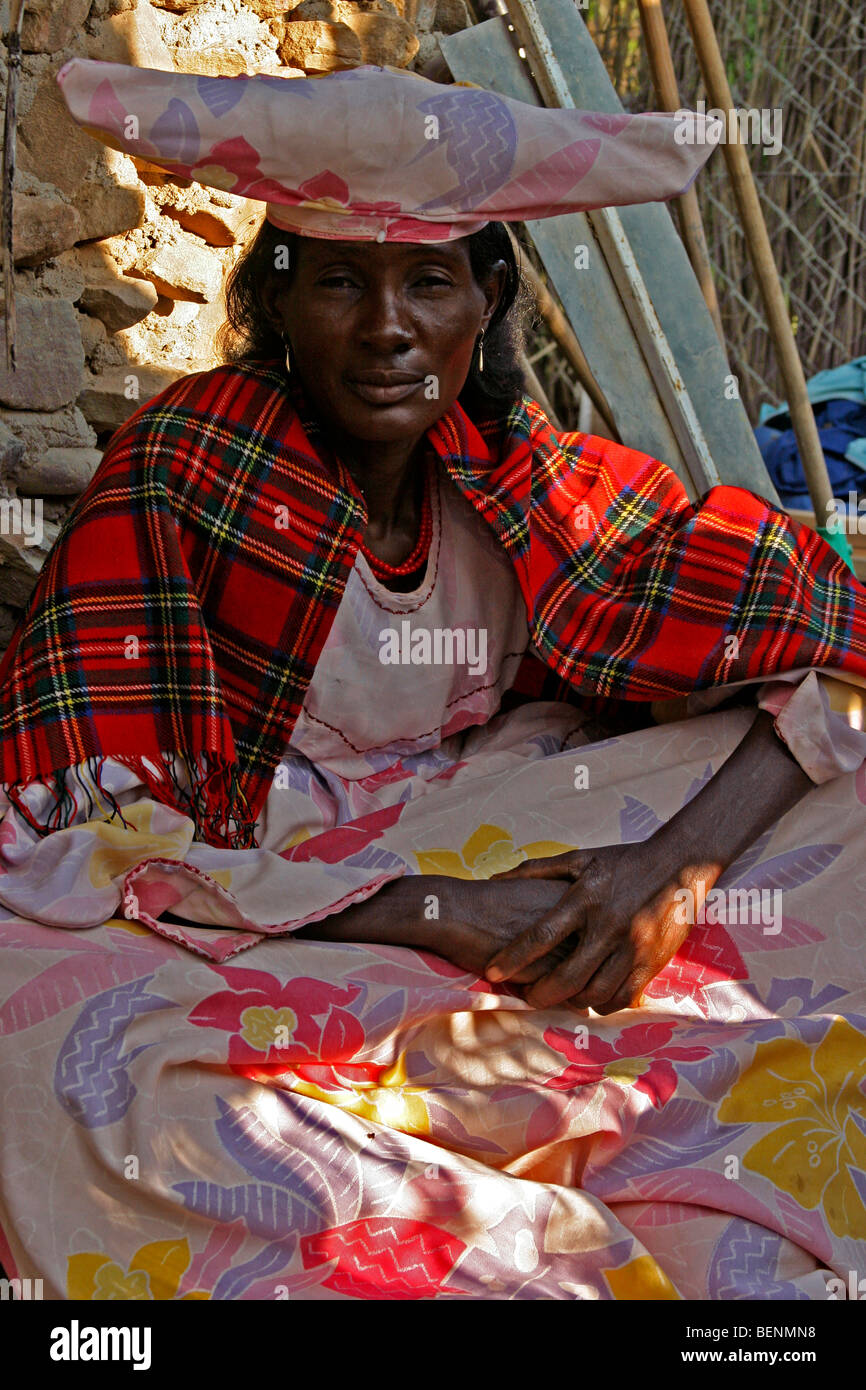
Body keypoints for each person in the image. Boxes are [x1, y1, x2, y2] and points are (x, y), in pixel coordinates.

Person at [0, 58, 864, 1301]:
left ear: (488, 299)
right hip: (264, 875)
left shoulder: (530, 471)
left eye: (429, 281)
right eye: (340, 281)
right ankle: (489, 1241)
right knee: (58, 1053)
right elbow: (71, 828)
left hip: (507, 812)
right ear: (274, 306)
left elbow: (821, 625)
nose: (388, 326)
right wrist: (434, 911)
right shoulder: (187, 464)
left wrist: (666, 871)